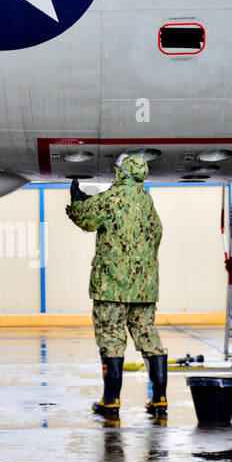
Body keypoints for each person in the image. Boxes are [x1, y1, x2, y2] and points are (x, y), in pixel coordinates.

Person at [66, 153, 167, 419]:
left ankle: (110, 401)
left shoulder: (113, 197)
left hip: (112, 286)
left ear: (122, 171)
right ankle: (159, 399)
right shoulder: (147, 200)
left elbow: (85, 218)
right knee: (148, 336)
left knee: (111, 338)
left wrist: (77, 198)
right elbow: (156, 231)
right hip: (144, 288)